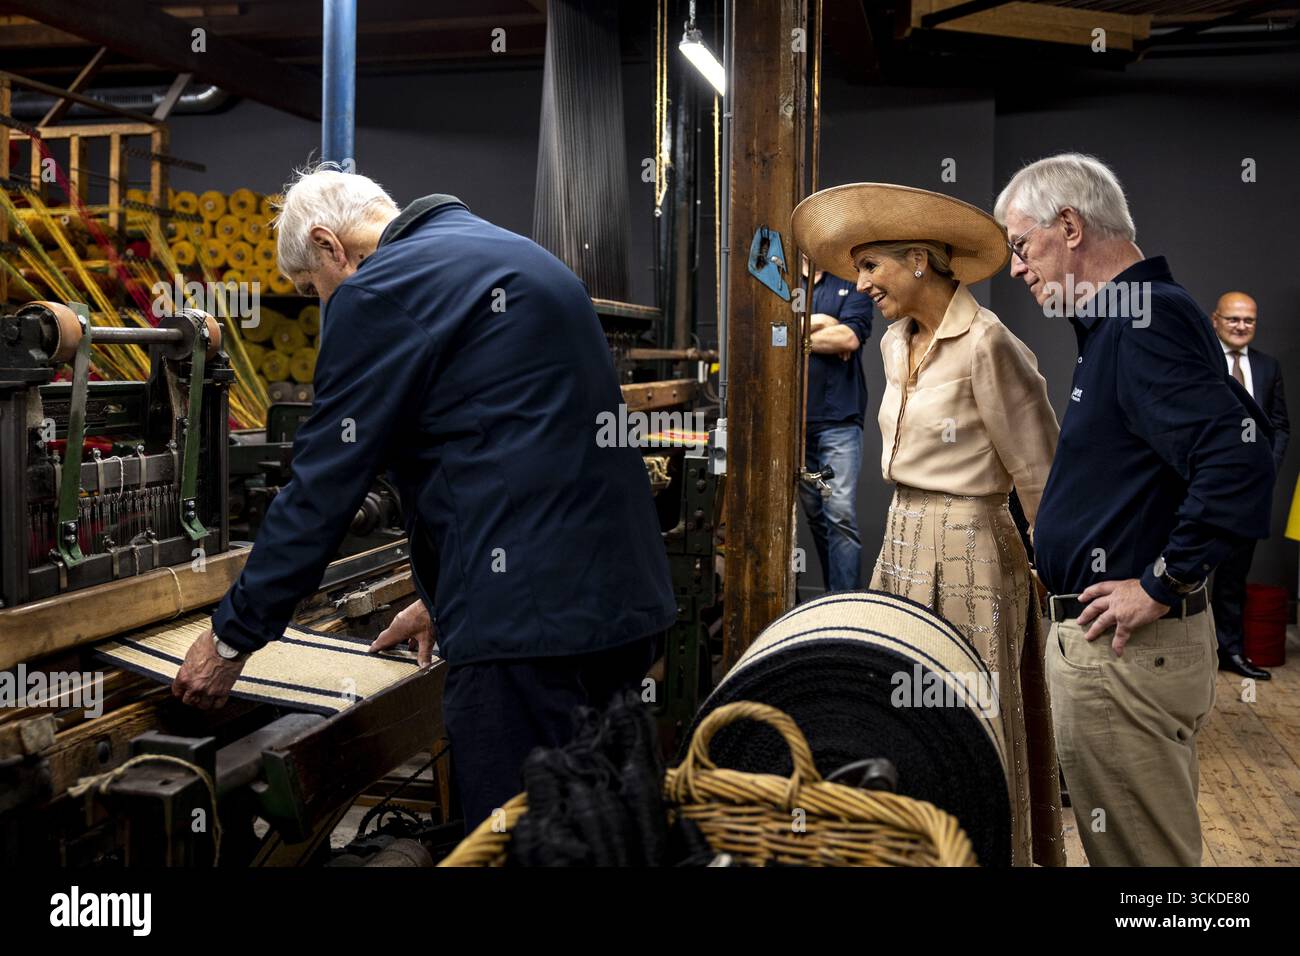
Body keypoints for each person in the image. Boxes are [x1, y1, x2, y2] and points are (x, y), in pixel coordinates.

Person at [171, 165, 676, 829]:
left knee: (514, 844)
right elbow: (520, 452)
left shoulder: (378, 290)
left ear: (329, 245)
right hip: (623, 614)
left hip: (525, 641)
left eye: (309, 288)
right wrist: (446, 592)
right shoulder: (519, 254)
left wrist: (232, 638)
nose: (322, 305)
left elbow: (322, 489)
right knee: (604, 835)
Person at [994, 153, 1275, 866]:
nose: (1018, 268)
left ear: (1069, 225)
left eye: (1022, 247)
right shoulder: (1130, 317)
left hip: (1126, 655)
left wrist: (1162, 582)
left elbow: (1240, 459)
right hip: (1120, 656)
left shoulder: (1144, 318)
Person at [792, 183, 1065, 867]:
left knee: (974, 723)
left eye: (871, 267)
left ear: (918, 259)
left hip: (973, 550)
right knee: (908, 720)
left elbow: (1039, 474)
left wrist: (1053, 579)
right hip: (903, 544)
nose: (860, 284)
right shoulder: (892, 345)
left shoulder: (989, 344)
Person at [1208, 291, 1289, 680]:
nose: (1241, 327)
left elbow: (1280, 426)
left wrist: (1265, 471)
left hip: (1249, 494)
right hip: (1202, 488)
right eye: (1233, 319)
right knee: (1183, 570)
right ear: (1215, 320)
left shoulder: (1268, 367)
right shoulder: (1200, 362)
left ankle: (1231, 651)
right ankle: (1190, 654)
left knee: (1232, 578)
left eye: (1249, 321)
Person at [798, 253, 873, 592]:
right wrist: (823, 321)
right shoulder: (783, 283)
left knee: (839, 516)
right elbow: (770, 331)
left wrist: (795, 334)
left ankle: (846, 611)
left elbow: (849, 339)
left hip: (839, 422)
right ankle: (832, 601)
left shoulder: (851, 282)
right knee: (815, 516)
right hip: (796, 427)